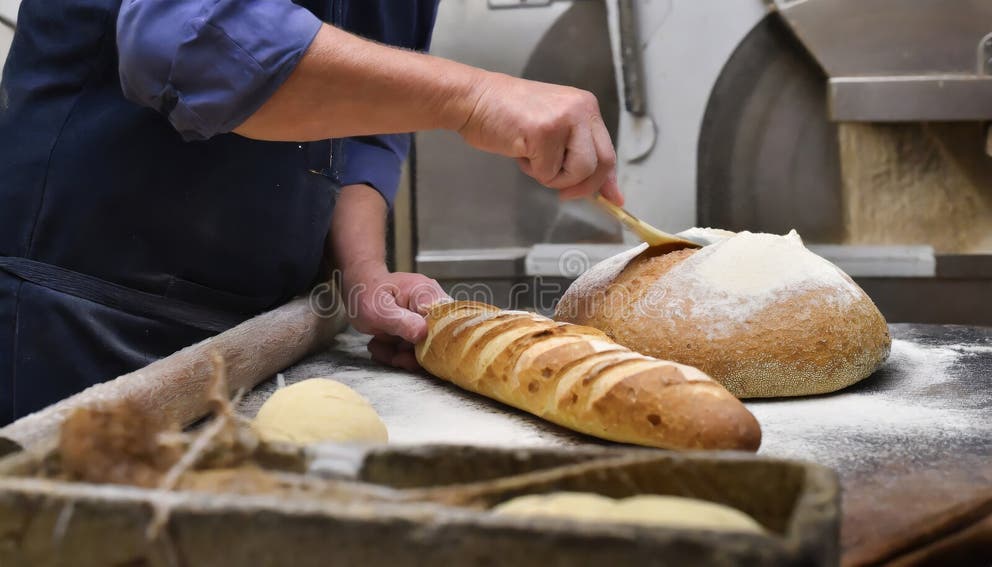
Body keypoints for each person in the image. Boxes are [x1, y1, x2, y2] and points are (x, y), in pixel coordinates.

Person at [0, 0, 623, 425]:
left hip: (261, 337)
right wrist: (477, 96)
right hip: (77, 314)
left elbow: (366, 124)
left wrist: (363, 273)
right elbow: (196, 39)